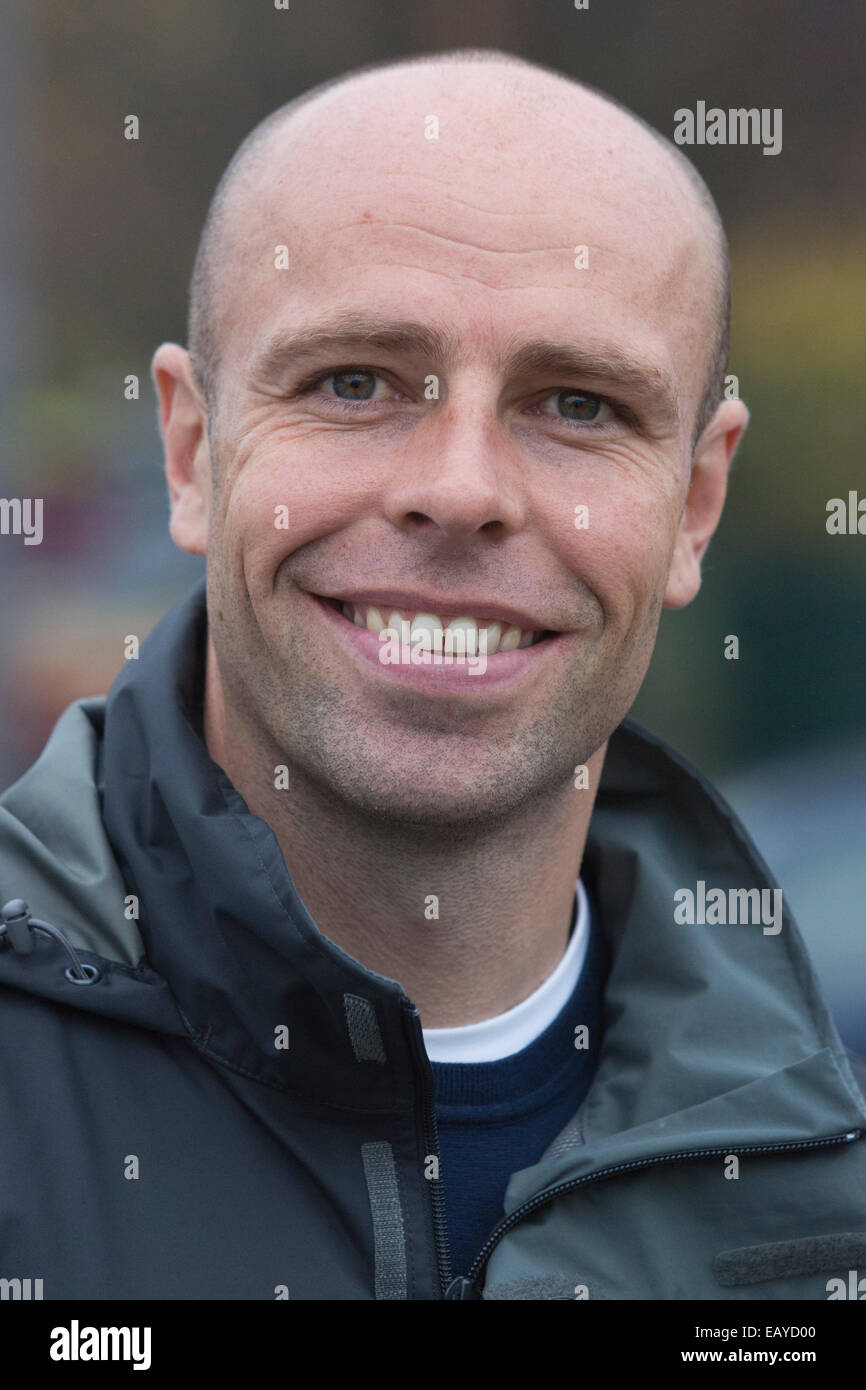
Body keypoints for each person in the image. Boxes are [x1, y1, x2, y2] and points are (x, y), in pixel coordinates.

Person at [1, 49, 864, 1302]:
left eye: (575, 405)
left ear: (693, 502)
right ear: (192, 452)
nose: (460, 490)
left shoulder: (823, 1185)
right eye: (353, 383)